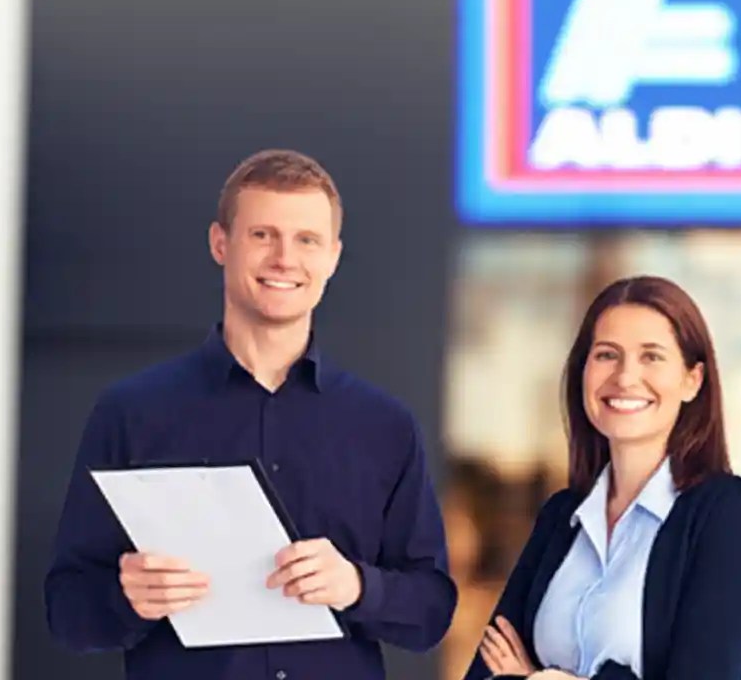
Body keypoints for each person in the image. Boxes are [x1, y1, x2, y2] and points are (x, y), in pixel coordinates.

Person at [44, 149, 457, 679]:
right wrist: (126, 597)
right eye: (263, 235)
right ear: (221, 244)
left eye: (307, 240)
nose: (285, 258)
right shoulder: (131, 413)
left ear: (332, 256)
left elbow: (431, 611)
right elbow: (66, 609)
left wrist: (357, 586)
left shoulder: (385, 428)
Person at [463, 276, 741, 680]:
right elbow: (486, 670)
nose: (626, 377)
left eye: (652, 356)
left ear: (692, 380)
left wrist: (545, 677)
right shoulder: (562, 516)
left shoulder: (734, 515)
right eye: (607, 355)